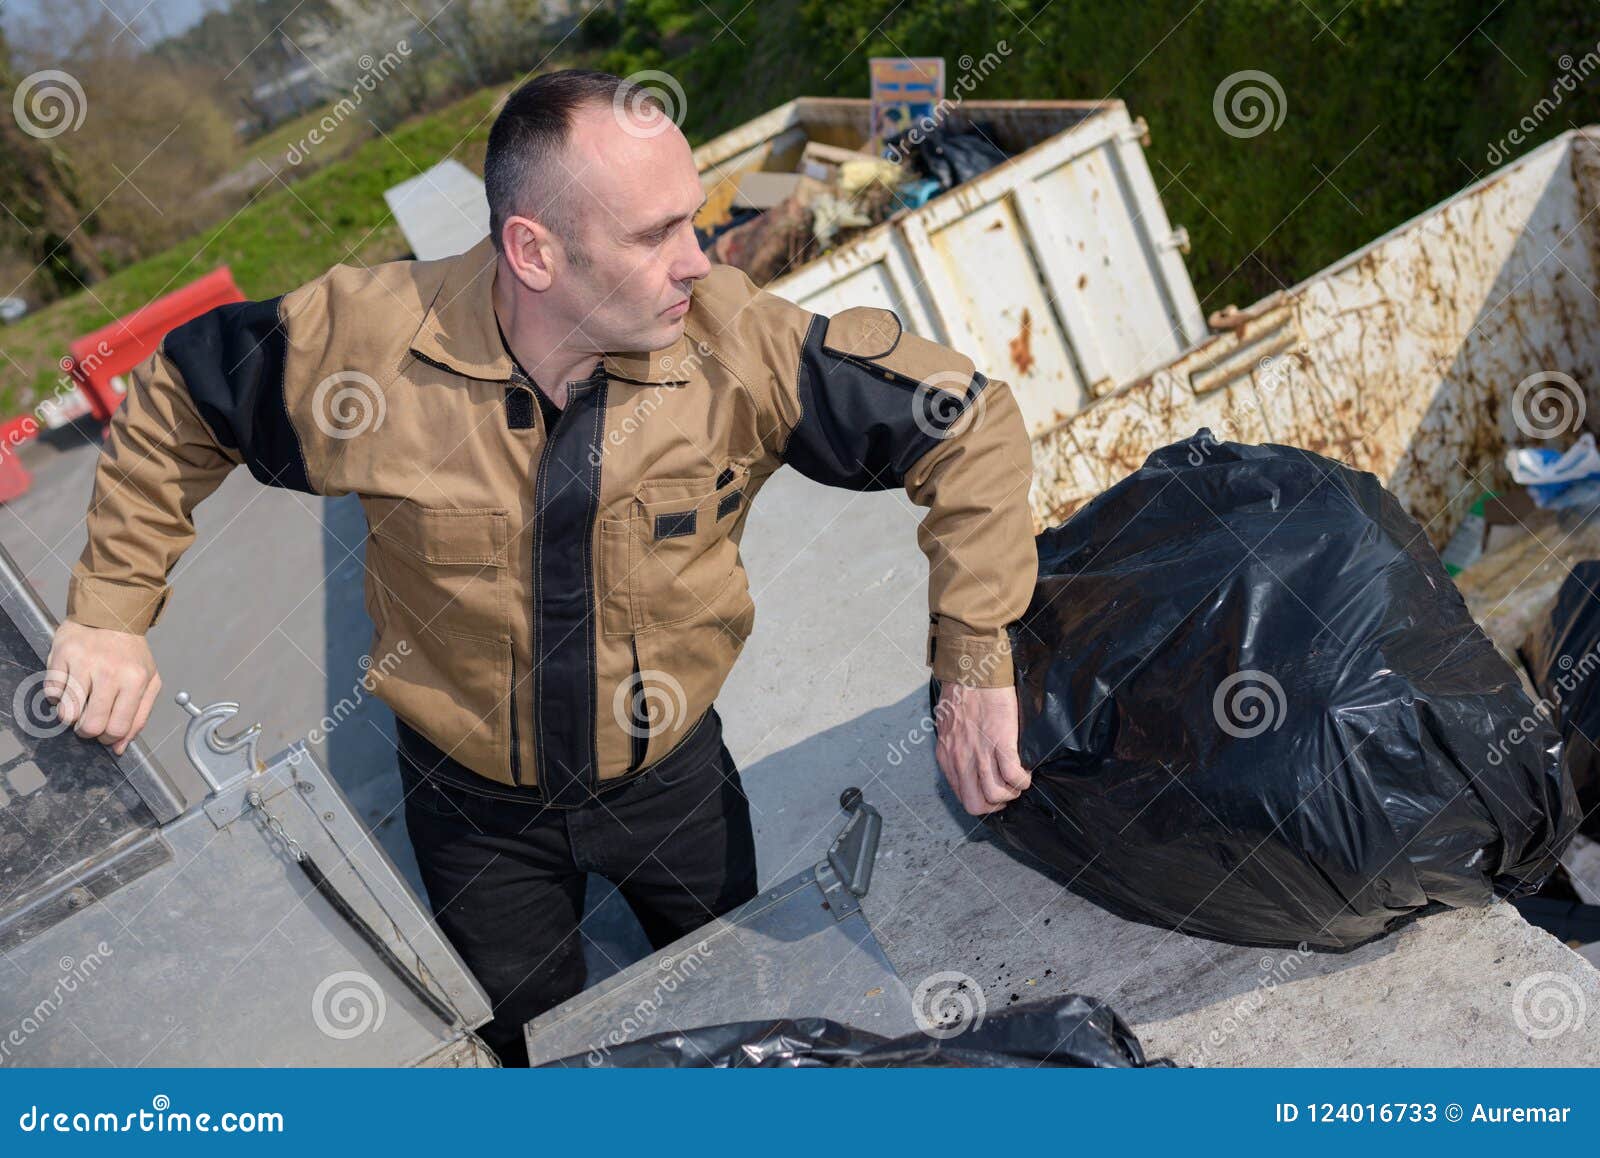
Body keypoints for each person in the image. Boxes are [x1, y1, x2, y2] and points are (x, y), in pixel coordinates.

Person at [44, 69, 1038, 1066]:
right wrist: (110, 613)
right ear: (532, 249)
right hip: (472, 812)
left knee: (745, 1013)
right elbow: (180, 397)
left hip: (671, 783)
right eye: (653, 237)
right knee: (536, 1053)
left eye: (691, 222)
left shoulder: (735, 345)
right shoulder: (368, 351)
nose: (698, 261)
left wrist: (974, 657)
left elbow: (968, 423)